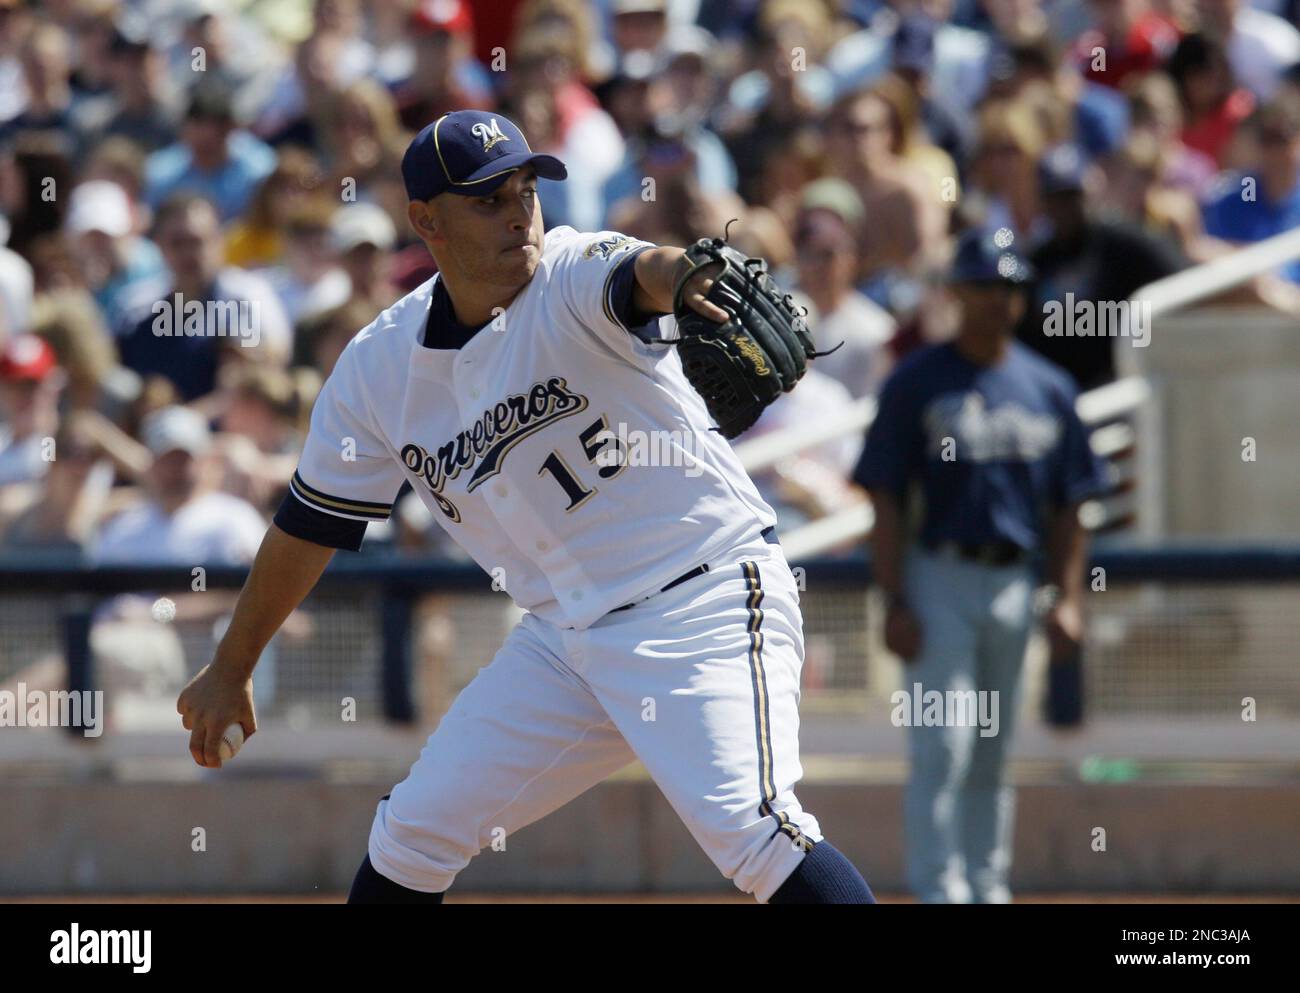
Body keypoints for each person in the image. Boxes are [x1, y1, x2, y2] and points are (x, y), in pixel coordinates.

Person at [176, 109, 875, 905]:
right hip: (563, 639)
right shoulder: (377, 369)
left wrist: (686, 278)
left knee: (756, 831)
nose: (518, 212)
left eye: (526, 189)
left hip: (702, 596)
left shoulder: (571, 271)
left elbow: (643, 270)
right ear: (425, 221)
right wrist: (231, 666)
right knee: (411, 837)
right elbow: (309, 525)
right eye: (487, 198)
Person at [853, 227, 1109, 904]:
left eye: (1006, 286)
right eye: (981, 285)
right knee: (943, 744)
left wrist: (1070, 598)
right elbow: (883, 494)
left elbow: (1070, 506)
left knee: (993, 750)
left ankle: (987, 885)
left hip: (1015, 581)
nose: (994, 298)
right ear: (957, 291)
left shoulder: (1047, 387)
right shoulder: (916, 381)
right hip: (939, 571)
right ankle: (940, 888)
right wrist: (894, 597)